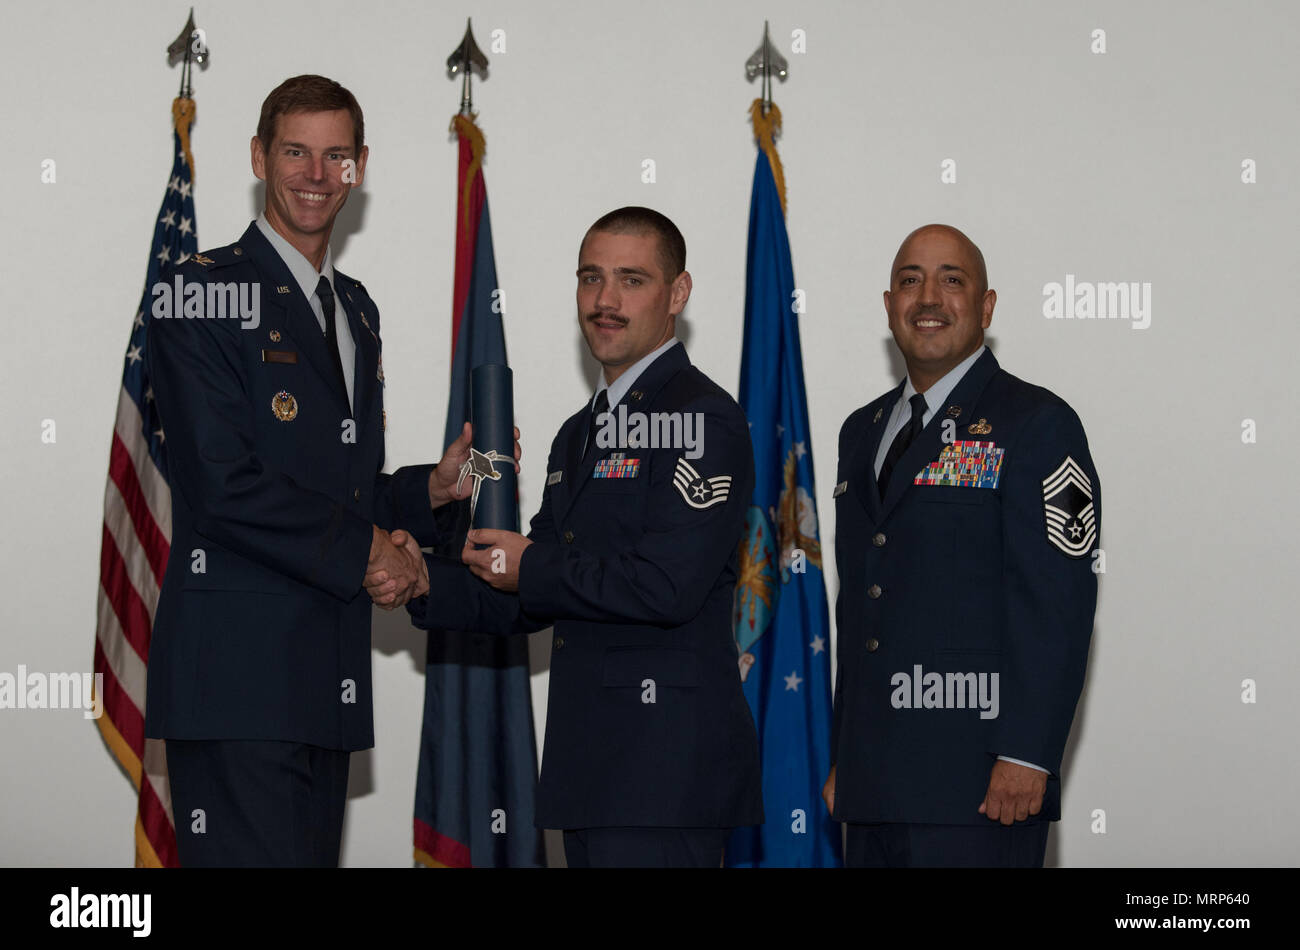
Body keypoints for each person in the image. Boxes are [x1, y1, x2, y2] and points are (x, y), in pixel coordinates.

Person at [147, 75, 480, 866]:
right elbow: (224, 483)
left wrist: (424, 492)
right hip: (237, 679)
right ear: (260, 156)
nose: (316, 175)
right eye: (296, 152)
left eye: (337, 156)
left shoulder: (355, 307)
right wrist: (371, 549)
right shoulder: (199, 292)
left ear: (360, 166)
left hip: (325, 676)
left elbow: (340, 489)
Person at [370, 207, 764, 867]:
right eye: (591, 277)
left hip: (664, 781)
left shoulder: (704, 419)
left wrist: (531, 566)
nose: (605, 301)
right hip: (589, 777)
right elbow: (525, 590)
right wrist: (425, 577)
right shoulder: (578, 434)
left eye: (631, 280)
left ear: (678, 293)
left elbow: (665, 587)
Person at [821, 224, 1100, 867]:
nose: (929, 297)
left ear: (987, 306)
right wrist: (848, 755)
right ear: (888, 303)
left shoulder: (1036, 422)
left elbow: (1056, 604)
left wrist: (1028, 754)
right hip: (873, 790)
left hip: (979, 791)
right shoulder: (859, 432)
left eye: (953, 280)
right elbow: (863, 609)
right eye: (911, 280)